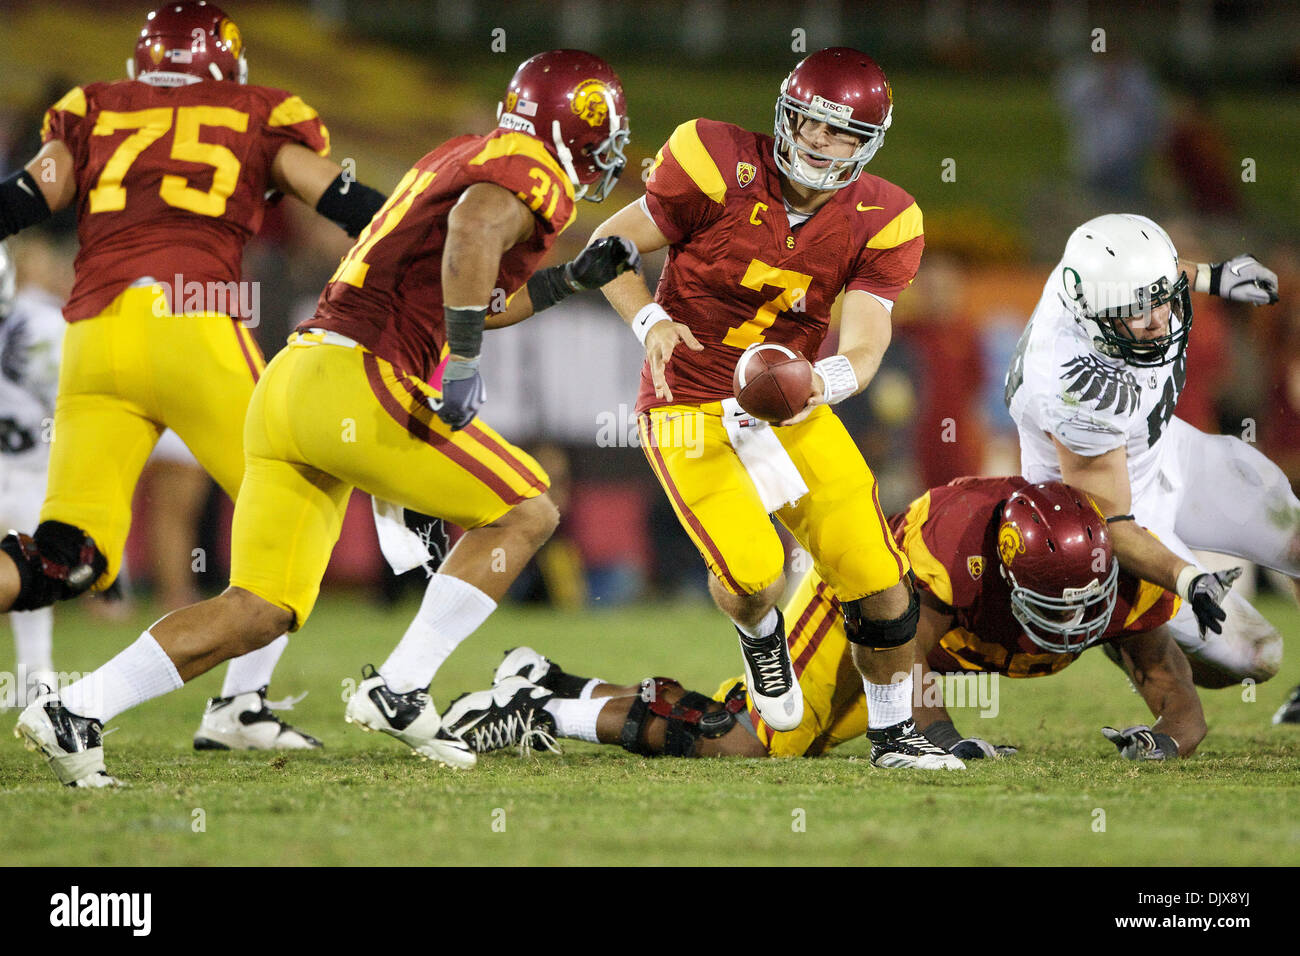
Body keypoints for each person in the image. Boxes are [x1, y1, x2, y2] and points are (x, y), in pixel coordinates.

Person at [17, 48, 640, 786]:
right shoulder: (527, 164)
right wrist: (464, 363)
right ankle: (400, 688)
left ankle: (74, 708)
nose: (609, 151)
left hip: (294, 381)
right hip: (357, 376)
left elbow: (477, 289)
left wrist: (568, 279)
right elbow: (472, 233)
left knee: (258, 607)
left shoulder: (461, 156)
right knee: (526, 509)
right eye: (604, 131)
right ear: (575, 124)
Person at [0, 2, 397, 752]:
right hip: (192, 320)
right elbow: (340, 200)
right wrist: (420, 236)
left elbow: (22, 198)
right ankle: (239, 708)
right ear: (226, 69)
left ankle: (233, 706)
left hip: (94, 332)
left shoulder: (95, 107)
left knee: (67, 557)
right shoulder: (257, 111)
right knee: (300, 489)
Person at [581, 46, 959, 768]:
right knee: (755, 577)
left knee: (879, 579)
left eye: (840, 131)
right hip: (686, 402)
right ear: (786, 117)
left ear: (869, 143)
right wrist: (650, 322)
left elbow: (870, 339)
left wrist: (824, 382)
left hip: (790, 406)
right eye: (809, 123)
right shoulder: (713, 159)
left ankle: (893, 735)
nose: (819, 141)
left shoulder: (887, 216)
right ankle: (761, 638)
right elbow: (608, 246)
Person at [441, 478, 1205, 763]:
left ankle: (553, 681)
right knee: (757, 743)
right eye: (1050, 603)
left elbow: (1177, 696)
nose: (1072, 624)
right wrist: (939, 745)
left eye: (1087, 605)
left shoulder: (1114, 575)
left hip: (913, 654)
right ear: (1005, 572)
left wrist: (1162, 743)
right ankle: (548, 713)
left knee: (742, 719)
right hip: (865, 612)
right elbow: (907, 658)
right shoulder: (960, 551)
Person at [1003, 213, 1297, 723]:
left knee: (1293, 534)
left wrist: (1211, 276)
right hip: (1115, 511)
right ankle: (1122, 633)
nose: (1159, 319)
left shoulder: (1106, 283)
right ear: (1092, 315)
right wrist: (1187, 579)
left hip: (1163, 447)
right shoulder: (1072, 385)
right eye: (1138, 311)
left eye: (1162, 296)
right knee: (1256, 657)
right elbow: (1113, 523)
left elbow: (1146, 275)